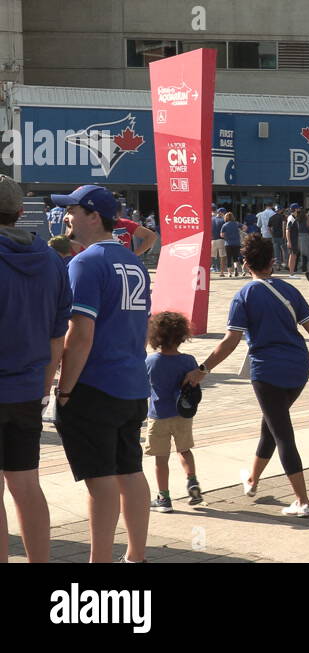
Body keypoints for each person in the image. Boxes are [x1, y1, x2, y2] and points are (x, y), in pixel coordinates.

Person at [183, 234, 309, 517]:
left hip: (267, 370)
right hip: (298, 368)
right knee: (272, 425)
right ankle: (252, 479)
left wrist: (203, 369)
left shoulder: (244, 296)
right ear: (273, 261)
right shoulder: (290, 290)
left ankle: (302, 500)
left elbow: (230, 341)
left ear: (245, 262)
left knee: (282, 432)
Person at [51, 184, 152, 563]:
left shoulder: (86, 263)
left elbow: (80, 335)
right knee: (130, 471)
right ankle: (136, 555)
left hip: (95, 384)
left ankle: (100, 560)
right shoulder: (134, 261)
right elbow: (141, 326)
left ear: (93, 216)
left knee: (100, 478)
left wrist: (64, 389)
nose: (67, 218)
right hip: (133, 383)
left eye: (73, 210)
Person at [0, 175, 71, 563]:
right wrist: (44, 387)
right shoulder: (50, 260)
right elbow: (57, 336)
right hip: (29, 390)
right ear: (18, 212)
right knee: (27, 483)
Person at [145, 312, 202, 513]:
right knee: (184, 450)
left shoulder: (151, 362)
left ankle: (164, 497)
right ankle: (192, 481)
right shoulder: (188, 361)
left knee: (161, 459)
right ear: (182, 336)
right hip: (183, 415)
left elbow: (144, 386)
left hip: (158, 415)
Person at [220, 212, 244, 278]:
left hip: (228, 243)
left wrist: (226, 236)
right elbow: (245, 227)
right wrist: (240, 232)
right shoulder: (236, 223)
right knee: (235, 257)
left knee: (229, 258)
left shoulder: (224, 225)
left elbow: (222, 235)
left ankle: (229, 273)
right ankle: (236, 269)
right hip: (236, 243)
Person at [268, 207, 287, 271]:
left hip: (274, 237)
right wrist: (284, 235)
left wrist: (272, 234)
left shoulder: (271, 218)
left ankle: (278, 266)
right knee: (284, 250)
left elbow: (269, 228)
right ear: (280, 210)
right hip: (281, 236)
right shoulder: (282, 217)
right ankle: (285, 264)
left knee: (276, 252)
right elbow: (284, 225)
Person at [210, 210, 226, 274]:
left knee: (212, 255)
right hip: (221, 240)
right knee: (222, 256)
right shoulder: (223, 220)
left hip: (212, 240)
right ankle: (221, 271)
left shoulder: (211, 219)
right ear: (221, 213)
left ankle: (213, 268)